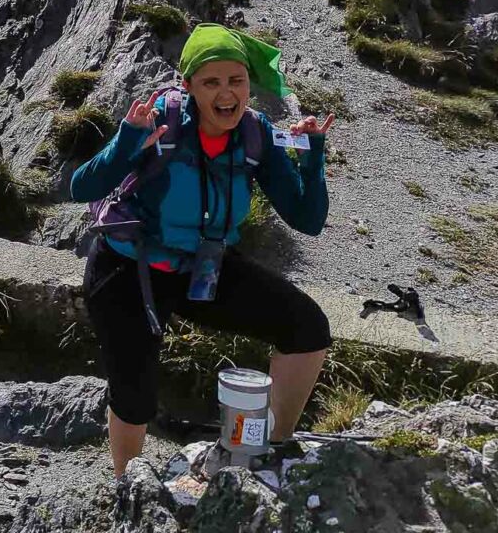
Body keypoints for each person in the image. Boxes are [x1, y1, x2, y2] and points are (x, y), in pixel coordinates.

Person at [70, 23, 335, 477]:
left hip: (203, 269)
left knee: (308, 329)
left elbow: (308, 221)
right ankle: (128, 490)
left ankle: (272, 449)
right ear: (188, 86)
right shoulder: (159, 122)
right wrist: (128, 140)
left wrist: (312, 156)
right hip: (128, 270)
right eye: (211, 82)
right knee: (135, 397)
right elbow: (83, 187)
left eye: (236, 80)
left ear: (249, 84)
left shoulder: (256, 135)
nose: (226, 93)